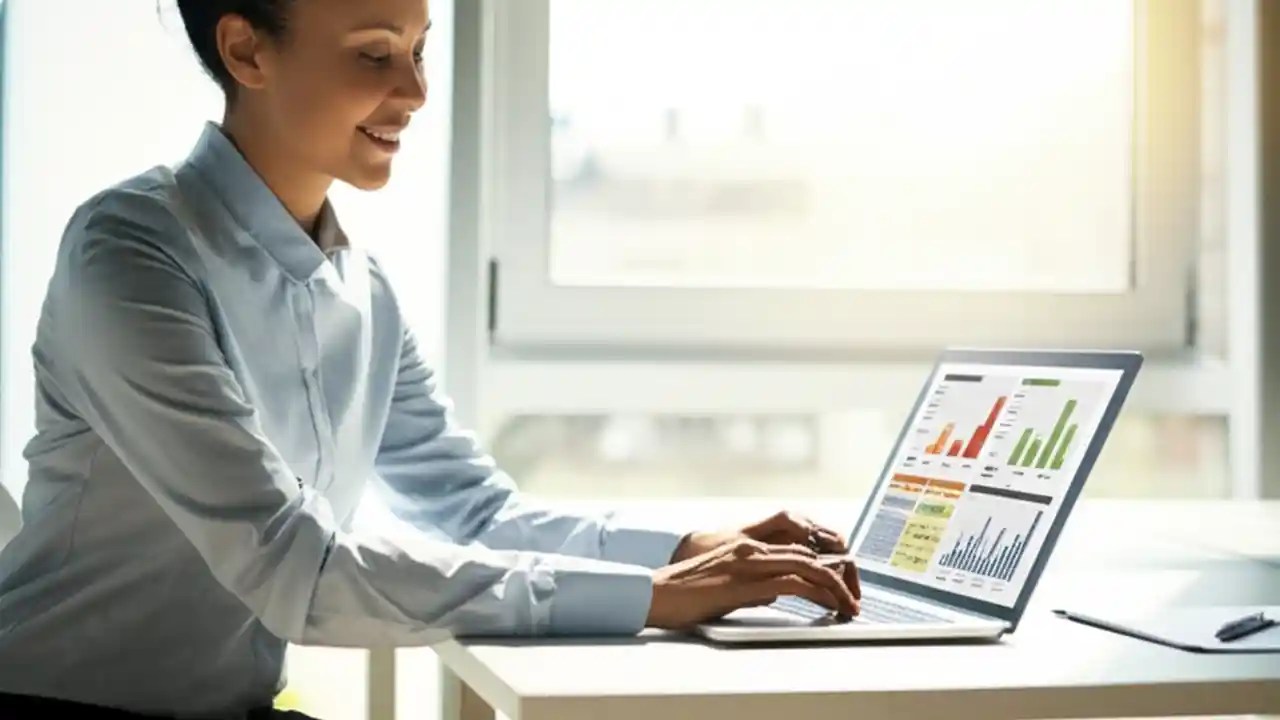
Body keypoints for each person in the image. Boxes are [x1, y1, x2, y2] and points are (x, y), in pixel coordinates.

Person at [0, 0, 861, 717]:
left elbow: (475, 514)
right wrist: (654, 597)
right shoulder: (130, 253)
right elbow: (293, 566)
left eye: (418, 51)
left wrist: (687, 549)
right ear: (247, 51)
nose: (414, 91)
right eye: (374, 55)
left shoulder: (362, 291)